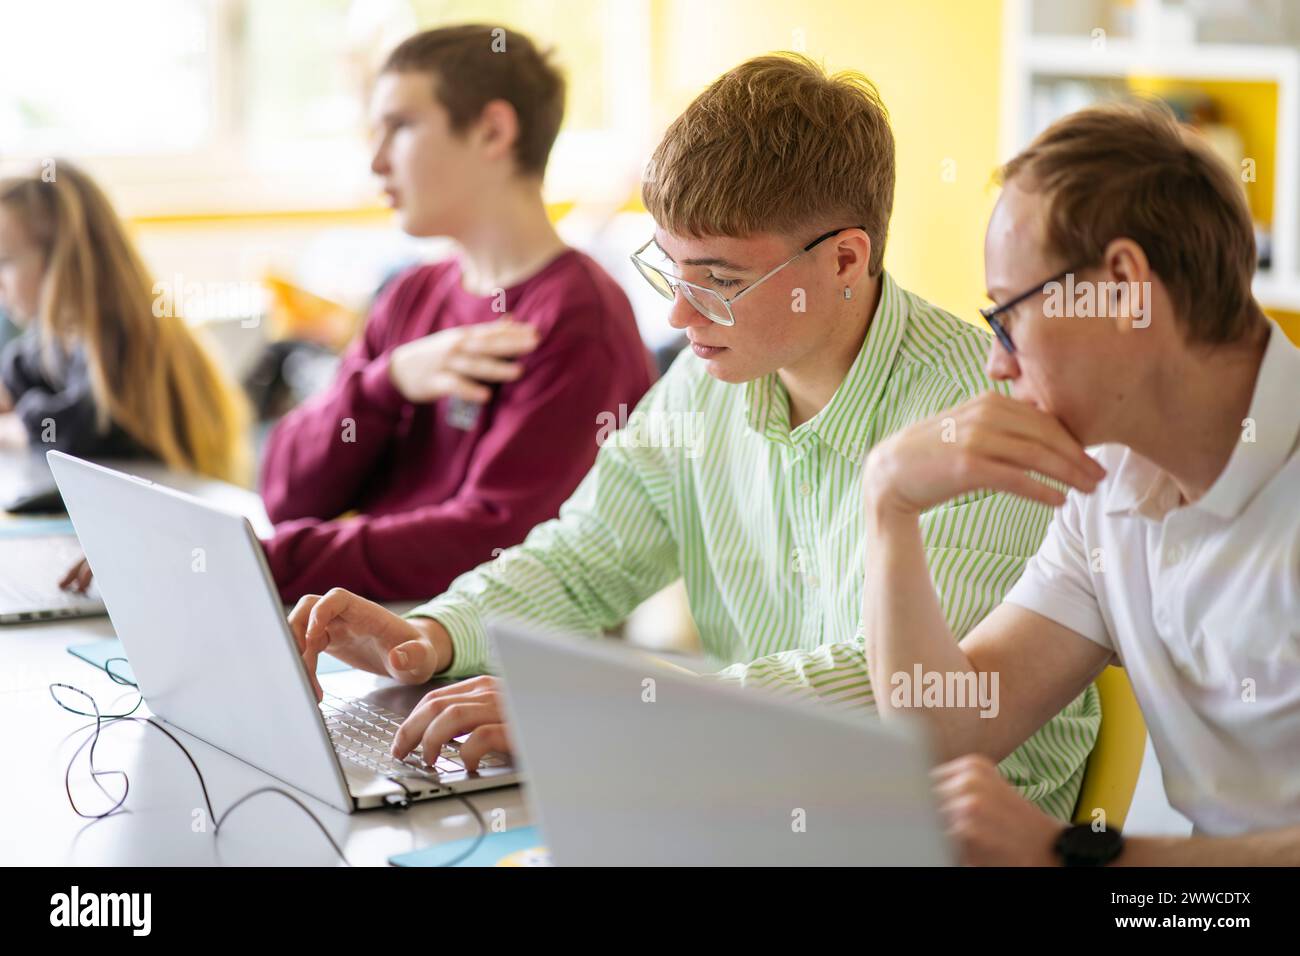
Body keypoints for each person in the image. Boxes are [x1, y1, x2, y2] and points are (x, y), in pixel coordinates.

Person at [286, 53, 1100, 821]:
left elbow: (898, 695)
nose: (677, 316)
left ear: (847, 260)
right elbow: (585, 558)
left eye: (718, 281)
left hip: (943, 822)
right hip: (756, 789)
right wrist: (435, 633)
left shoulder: (981, 404)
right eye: (669, 268)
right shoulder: (710, 379)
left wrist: (611, 714)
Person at [860, 100, 1300, 865]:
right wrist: (887, 499)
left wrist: (1077, 857)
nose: (996, 363)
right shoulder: (1109, 483)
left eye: (1009, 317)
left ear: (1125, 286)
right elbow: (943, 730)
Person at [257, 24, 653, 603]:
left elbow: (495, 545)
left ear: (493, 131)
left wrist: (267, 562)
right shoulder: (411, 293)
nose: (375, 162)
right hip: (375, 629)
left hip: (478, 664)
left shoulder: (579, 319)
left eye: (400, 127)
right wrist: (383, 384)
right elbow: (286, 495)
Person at [0, 160, 248, 479]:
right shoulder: (63, 334)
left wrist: (13, 428)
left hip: (169, 510)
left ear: (61, 262)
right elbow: (18, 376)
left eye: (5, 261)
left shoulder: (122, 334)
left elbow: (75, 433)